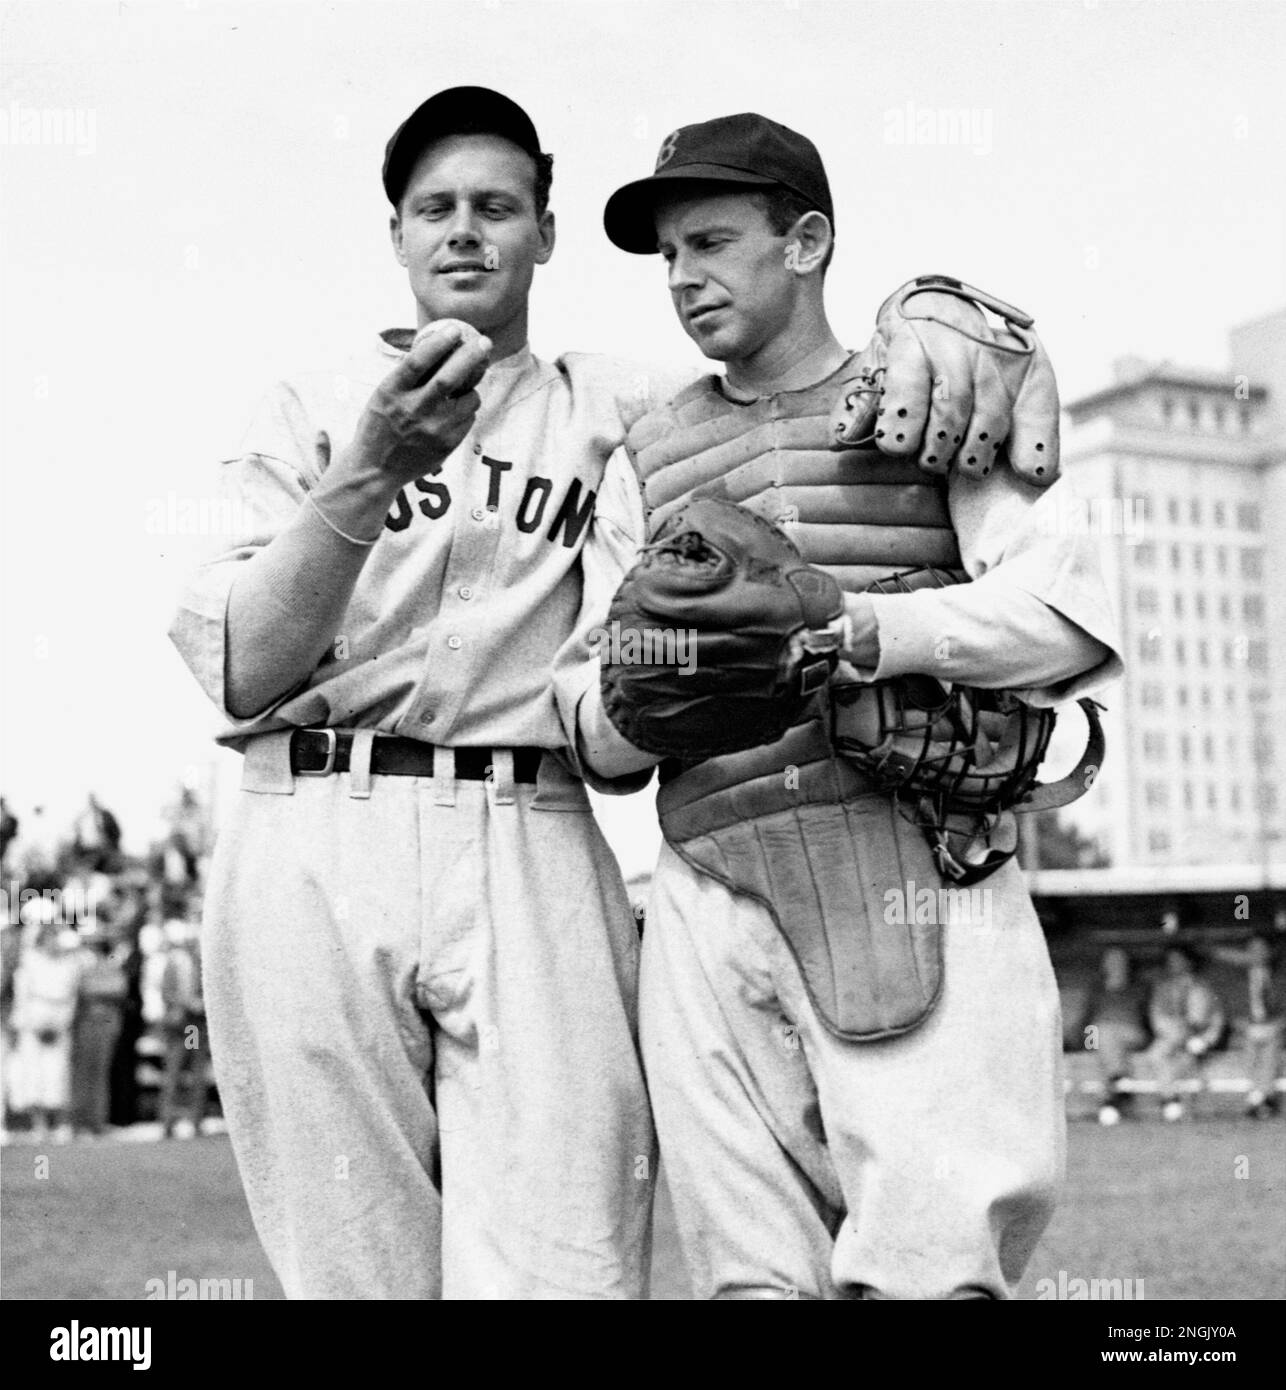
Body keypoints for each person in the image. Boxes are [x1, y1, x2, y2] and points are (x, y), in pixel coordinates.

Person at [584, 113, 1122, 1299]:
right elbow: (587, 724)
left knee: (935, 1271)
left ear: (807, 239)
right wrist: (657, 697)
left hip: (912, 857)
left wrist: (873, 630)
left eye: (712, 242)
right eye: (667, 254)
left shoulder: (934, 394)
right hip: (708, 888)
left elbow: (1069, 621)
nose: (682, 278)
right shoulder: (645, 454)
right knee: (747, 1282)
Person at [11, 915, 83, 1142]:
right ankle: (38, 1125)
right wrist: (34, 1024)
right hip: (33, 1024)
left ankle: (61, 1124)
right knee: (34, 1074)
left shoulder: (69, 964)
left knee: (58, 1073)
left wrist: (60, 1023)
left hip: (59, 1024)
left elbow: (71, 996)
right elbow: (22, 997)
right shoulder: (28, 962)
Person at [1147, 945, 1225, 1122]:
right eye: (1171, 961)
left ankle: (1176, 1102)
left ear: (1189, 962)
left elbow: (1216, 1018)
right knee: (1158, 1054)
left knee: (1182, 1056)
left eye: (1179, 960)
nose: (1175, 964)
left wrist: (1206, 1040)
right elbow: (1156, 1017)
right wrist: (1174, 1033)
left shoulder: (1202, 987)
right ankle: (1171, 1100)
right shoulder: (1162, 988)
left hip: (1198, 1039)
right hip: (1171, 1037)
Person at [1213, 933, 1282, 1119]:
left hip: (1274, 1027)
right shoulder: (1237, 978)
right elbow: (1230, 1008)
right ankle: (1263, 1098)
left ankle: (1258, 1098)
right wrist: (1242, 1024)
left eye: (1261, 949)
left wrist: (1279, 1023)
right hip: (1247, 1028)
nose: (1257, 954)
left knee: (1270, 1049)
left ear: (1269, 952)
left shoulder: (1279, 976)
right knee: (1252, 1048)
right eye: (1252, 950)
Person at [71, 928, 130, 1136]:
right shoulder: (82, 967)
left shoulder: (111, 966)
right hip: (84, 1024)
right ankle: (78, 1122)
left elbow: (119, 989)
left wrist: (96, 992)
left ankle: (97, 1121)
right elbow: (81, 990)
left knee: (100, 1072)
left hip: (105, 1024)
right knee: (81, 1073)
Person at [1082, 946, 1150, 1126]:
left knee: (1106, 1042)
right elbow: (1086, 1017)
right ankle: (1118, 1081)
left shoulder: (1139, 987)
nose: (1115, 964)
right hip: (1095, 1036)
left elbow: (1146, 1018)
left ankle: (1108, 1103)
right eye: (1110, 960)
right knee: (1103, 1033)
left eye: (1119, 960)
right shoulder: (1096, 988)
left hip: (1132, 1034)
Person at [156, 919, 210, 1138]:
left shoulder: (201, 964)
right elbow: (166, 992)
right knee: (174, 1072)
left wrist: (199, 1003)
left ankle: (196, 1120)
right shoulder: (174, 963)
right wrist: (186, 1002)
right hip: (179, 1026)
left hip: (195, 1027)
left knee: (197, 1072)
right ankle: (168, 1121)